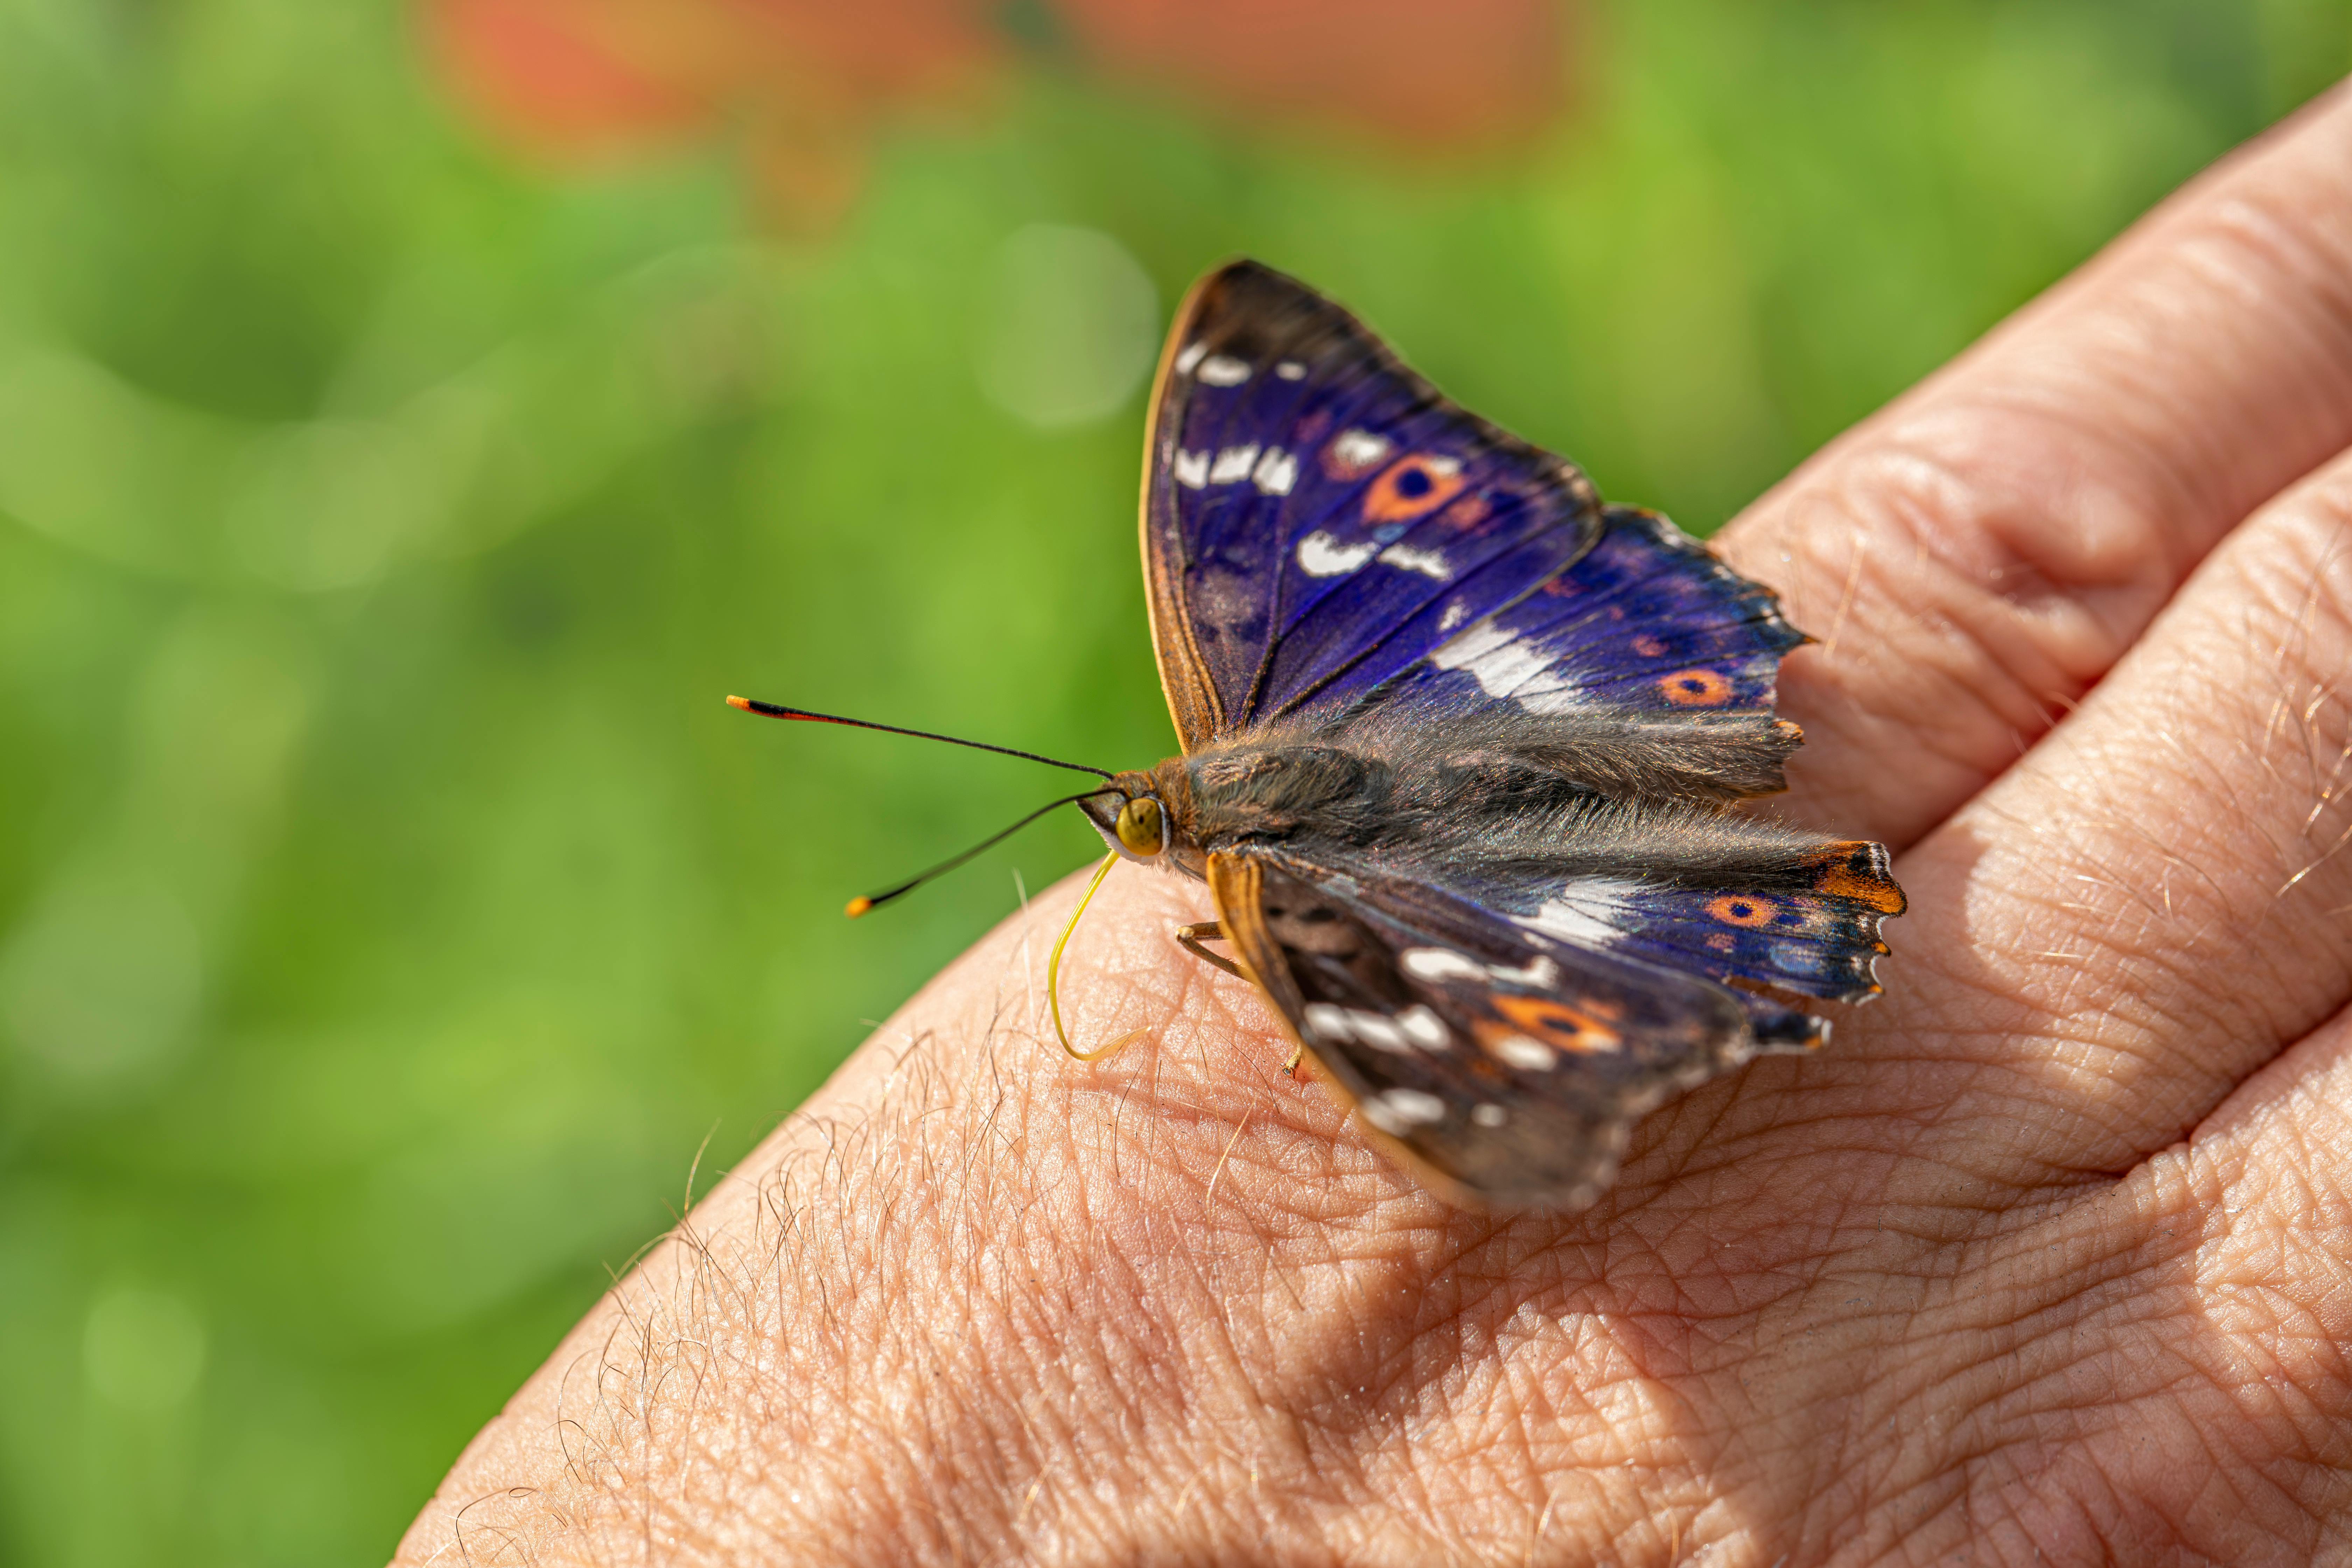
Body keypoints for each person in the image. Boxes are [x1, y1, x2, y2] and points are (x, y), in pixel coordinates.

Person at [393, 87, 2352, 1564]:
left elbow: (1452, 1063)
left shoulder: (1282, 906)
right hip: (1539, 675)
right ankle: (1728, 845)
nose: (1134, 832)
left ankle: (1755, 902)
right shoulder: (1245, 658)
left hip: (1520, 836)